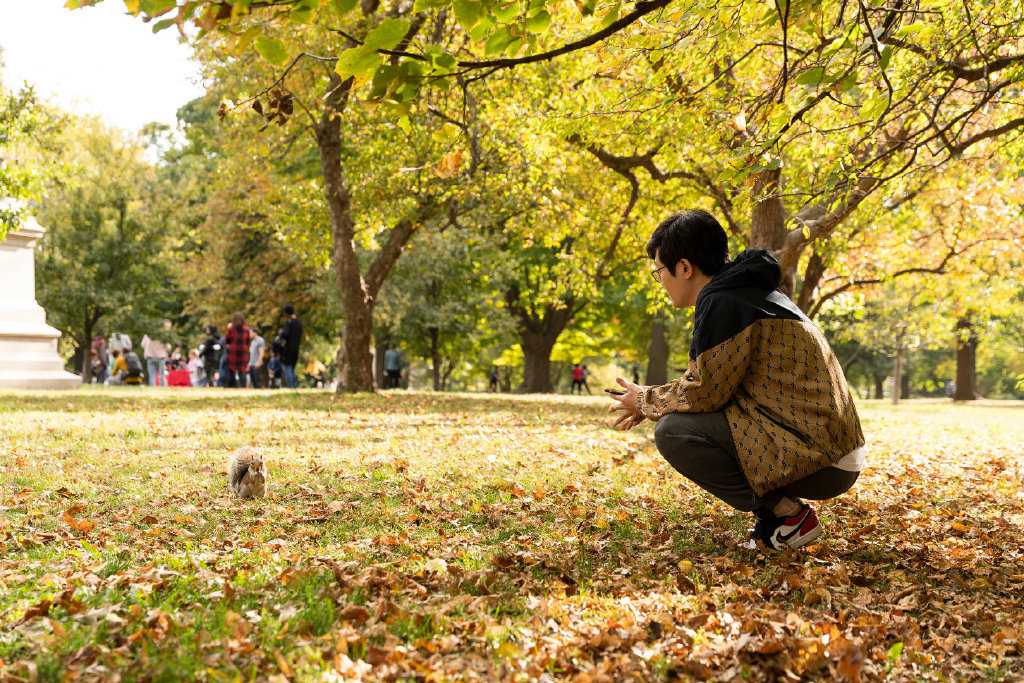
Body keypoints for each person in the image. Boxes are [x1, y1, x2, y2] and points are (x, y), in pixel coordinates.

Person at [608, 209, 866, 551]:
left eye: (659, 272)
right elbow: (712, 381)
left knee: (673, 432)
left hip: (821, 457)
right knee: (678, 421)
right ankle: (782, 520)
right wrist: (653, 399)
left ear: (684, 268)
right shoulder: (746, 292)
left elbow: (705, 393)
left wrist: (645, 400)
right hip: (832, 449)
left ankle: (789, 517)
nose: (661, 282)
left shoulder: (724, 301)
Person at [222, 313, 252, 388]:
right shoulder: (246, 329)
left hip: (233, 352)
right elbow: (248, 341)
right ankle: (243, 386)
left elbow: (226, 341)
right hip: (243, 352)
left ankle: (231, 386)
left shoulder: (231, 329)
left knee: (231, 370)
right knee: (242, 370)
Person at [141, 321, 172, 387]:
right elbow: (168, 347)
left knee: (152, 375)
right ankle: (164, 388)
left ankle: (153, 389)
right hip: (160, 358)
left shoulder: (148, 334)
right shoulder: (163, 335)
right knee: (162, 375)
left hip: (150, 357)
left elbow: (142, 344)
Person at [279, 304, 303, 389]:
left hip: (288, 348)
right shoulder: (299, 322)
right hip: (296, 347)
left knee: (288, 367)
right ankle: (293, 385)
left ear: (287, 313)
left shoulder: (288, 322)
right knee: (292, 368)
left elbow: (285, 334)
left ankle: (290, 386)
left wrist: (281, 333)